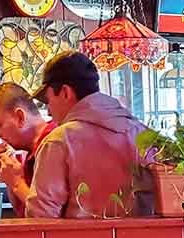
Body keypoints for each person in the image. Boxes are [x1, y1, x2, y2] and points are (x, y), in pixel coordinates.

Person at [26, 51, 152, 219]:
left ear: (65, 92)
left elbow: (41, 218)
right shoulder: (143, 134)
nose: (48, 111)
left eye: (48, 101)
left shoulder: (59, 142)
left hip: (80, 237)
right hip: (149, 236)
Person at [0, 83, 56, 217]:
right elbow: (23, 212)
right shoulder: (30, 151)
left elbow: (47, 217)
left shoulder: (53, 144)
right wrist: (9, 177)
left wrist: (16, 183)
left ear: (20, 117)